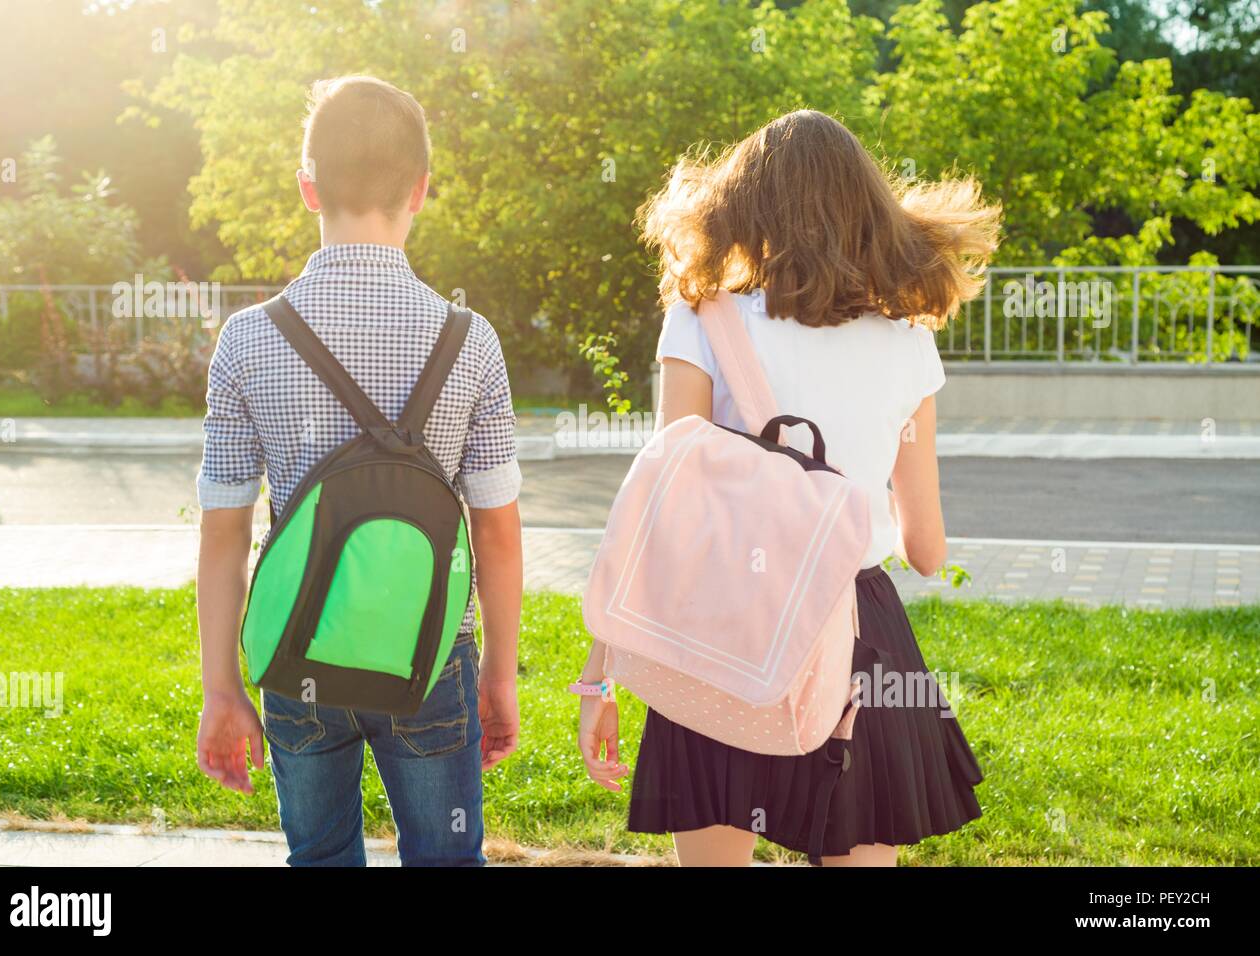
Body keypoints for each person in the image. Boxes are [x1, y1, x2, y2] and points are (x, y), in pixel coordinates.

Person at [577, 109, 1000, 866]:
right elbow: (927, 549)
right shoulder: (908, 335)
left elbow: (667, 517)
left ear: (741, 205)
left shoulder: (700, 317)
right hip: (858, 631)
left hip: (727, 623)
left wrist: (600, 678)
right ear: (870, 208)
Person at [194, 76, 524, 867]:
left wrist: (221, 689)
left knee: (320, 856)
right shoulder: (469, 340)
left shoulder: (247, 341)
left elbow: (224, 538)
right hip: (430, 652)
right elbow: (499, 538)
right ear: (422, 189)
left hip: (299, 653)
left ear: (308, 185)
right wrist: (500, 677)